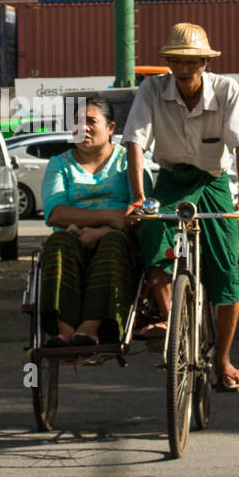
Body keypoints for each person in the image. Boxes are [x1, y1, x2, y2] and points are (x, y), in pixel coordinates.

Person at [122, 23, 239, 392]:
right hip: (170, 181)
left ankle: (223, 359)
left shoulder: (227, 89)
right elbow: (135, 143)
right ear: (167, 61)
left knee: (227, 270)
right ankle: (172, 319)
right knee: (152, 228)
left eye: (193, 62)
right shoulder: (151, 90)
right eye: (178, 62)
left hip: (213, 182)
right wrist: (139, 195)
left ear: (205, 61)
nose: (185, 70)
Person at [38, 98, 148, 347]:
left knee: (112, 241)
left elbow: (139, 213)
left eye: (91, 121)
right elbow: (55, 213)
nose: (82, 128)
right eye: (76, 122)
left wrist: (101, 231)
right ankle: (64, 329)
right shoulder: (59, 164)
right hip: (73, 236)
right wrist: (109, 216)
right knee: (58, 241)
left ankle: (92, 326)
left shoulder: (129, 162)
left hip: (118, 240)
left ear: (111, 128)